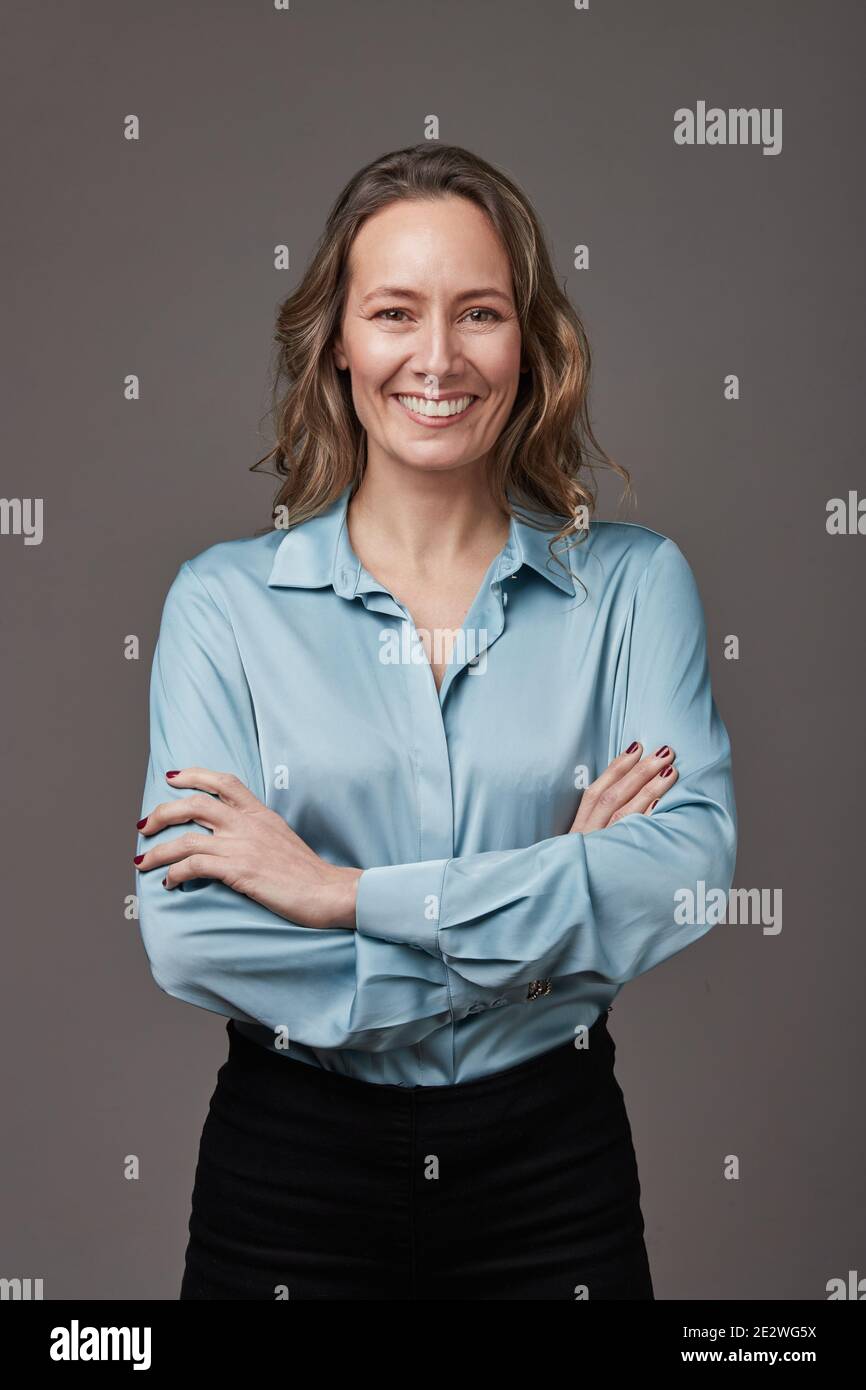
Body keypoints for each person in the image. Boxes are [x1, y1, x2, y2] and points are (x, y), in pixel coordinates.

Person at [133, 143, 737, 1300]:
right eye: (395, 312)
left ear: (529, 342)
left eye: (478, 313)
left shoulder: (633, 587)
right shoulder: (220, 605)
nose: (437, 358)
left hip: (550, 1170)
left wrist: (342, 894)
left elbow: (684, 878)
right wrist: (553, 906)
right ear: (339, 343)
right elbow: (192, 938)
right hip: (290, 1174)